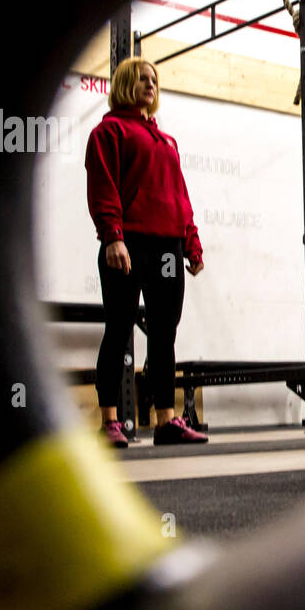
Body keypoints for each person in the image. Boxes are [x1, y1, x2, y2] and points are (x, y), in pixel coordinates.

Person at [85, 57, 208, 447]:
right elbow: (103, 188)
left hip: (168, 246)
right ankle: (109, 421)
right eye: (141, 78)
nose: (150, 84)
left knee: (164, 334)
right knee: (118, 329)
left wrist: (191, 242)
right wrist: (112, 237)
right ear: (124, 84)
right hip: (127, 244)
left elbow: (179, 197)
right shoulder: (109, 131)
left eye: (153, 79)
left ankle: (165, 421)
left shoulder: (166, 140)